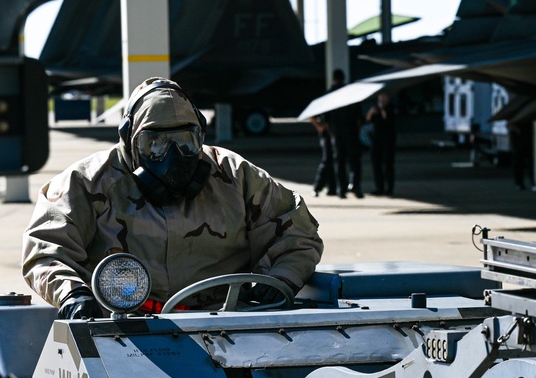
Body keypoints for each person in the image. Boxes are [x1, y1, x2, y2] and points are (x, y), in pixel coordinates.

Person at [22, 77, 323, 319]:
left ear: (201, 135)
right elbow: (46, 249)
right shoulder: (87, 182)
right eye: (154, 143)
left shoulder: (236, 176)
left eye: (185, 142)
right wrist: (73, 294)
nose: (173, 156)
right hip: (123, 327)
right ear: (129, 140)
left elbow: (300, 235)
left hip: (226, 324)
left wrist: (281, 279)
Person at [325, 69, 364, 198]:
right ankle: (355, 186)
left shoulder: (329, 94)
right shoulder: (350, 92)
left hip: (337, 131)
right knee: (354, 159)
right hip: (351, 130)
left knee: (339, 161)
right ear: (344, 77)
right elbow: (359, 115)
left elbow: (326, 118)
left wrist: (331, 132)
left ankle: (341, 189)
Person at [366, 92, 397, 196]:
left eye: (384, 97)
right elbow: (368, 119)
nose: (382, 99)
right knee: (376, 164)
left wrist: (382, 109)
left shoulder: (392, 108)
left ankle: (389, 188)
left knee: (388, 165)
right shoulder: (375, 108)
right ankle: (379, 187)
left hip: (388, 140)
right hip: (376, 139)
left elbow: (388, 119)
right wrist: (371, 112)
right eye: (380, 97)